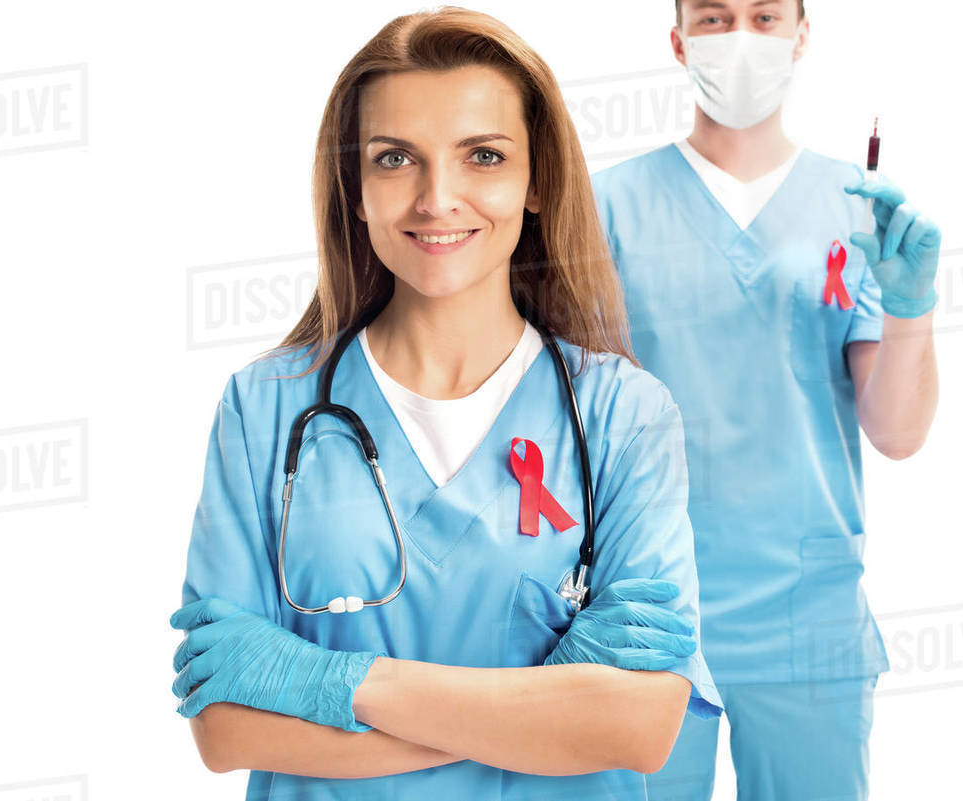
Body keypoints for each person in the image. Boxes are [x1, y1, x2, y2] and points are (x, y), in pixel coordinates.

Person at [167, 7, 723, 799]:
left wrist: (315, 678)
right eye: (396, 158)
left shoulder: (624, 414)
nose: (437, 197)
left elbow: (639, 726)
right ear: (354, 190)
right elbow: (225, 727)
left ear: (536, 184)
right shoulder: (264, 408)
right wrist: (536, 716)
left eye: (483, 156)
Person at [590, 0, 942, 798]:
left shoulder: (859, 208)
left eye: (763, 16)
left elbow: (897, 430)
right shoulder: (605, 206)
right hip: (647, 615)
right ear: (679, 41)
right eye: (714, 19)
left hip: (806, 624)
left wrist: (911, 305)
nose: (740, 38)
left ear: (801, 35)